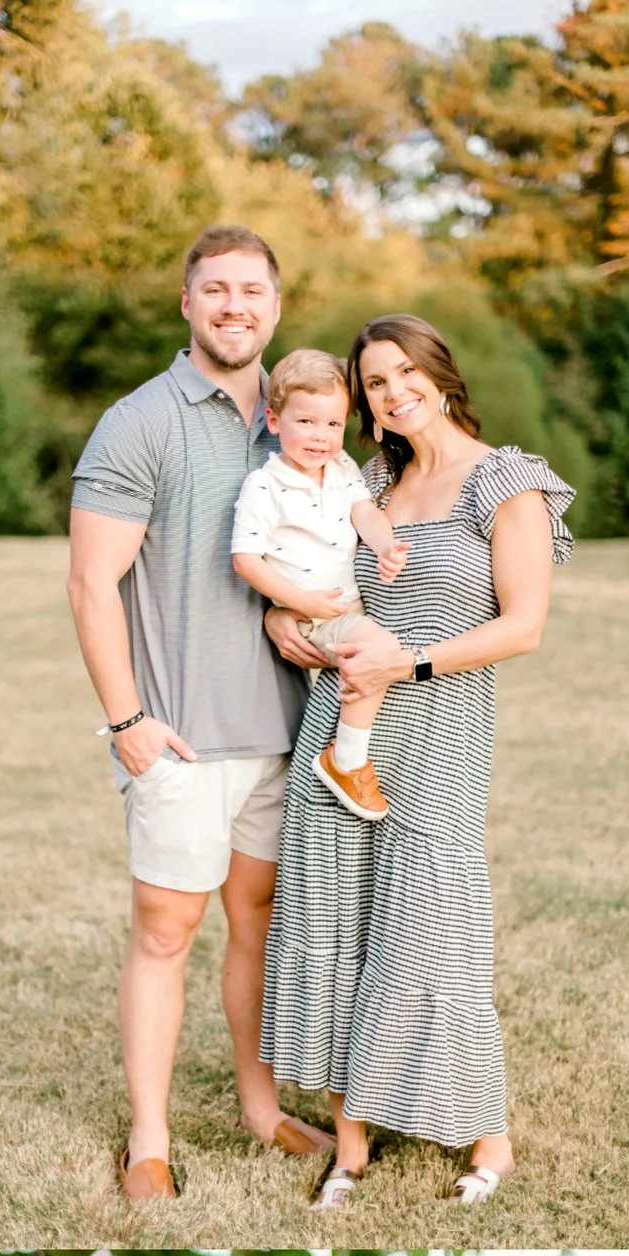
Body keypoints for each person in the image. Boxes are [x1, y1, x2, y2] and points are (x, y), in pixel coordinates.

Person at [259, 313, 574, 1209]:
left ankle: (487, 1133)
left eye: (404, 374)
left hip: (437, 729)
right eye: (374, 384)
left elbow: (524, 625)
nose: (393, 395)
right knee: (328, 920)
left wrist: (412, 660)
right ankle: (350, 1144)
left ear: (438, 371)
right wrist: (287, 624)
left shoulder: (504, 481)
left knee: (433, 924)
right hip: (339, 725)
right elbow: (301, 567)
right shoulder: (365, 479)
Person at [68, 223, 338, 1201]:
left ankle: (261, 1110)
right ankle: (148, 1138)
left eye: (251, 292)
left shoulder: (300, 420)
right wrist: (127, 721)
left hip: (281, 728)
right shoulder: (138, 422)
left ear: (274, 305)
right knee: (164, 930)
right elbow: (91, 583)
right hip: (176, 734)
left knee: (255, 923)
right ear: (187, 304)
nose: (233, 306)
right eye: (214, 290)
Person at [229, 350, 410, 820]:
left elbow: (365, 512)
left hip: (344, 607)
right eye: (306, 421)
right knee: (379, 650)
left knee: (375, 652)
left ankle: (348, 752)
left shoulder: (344, 468)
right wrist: (300, 602)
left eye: (332, 425)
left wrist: (386, 545)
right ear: (274, 419)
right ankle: (346, 758)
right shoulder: (264, 487)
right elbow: (246, 560)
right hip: (312, 616)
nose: (320, 436)